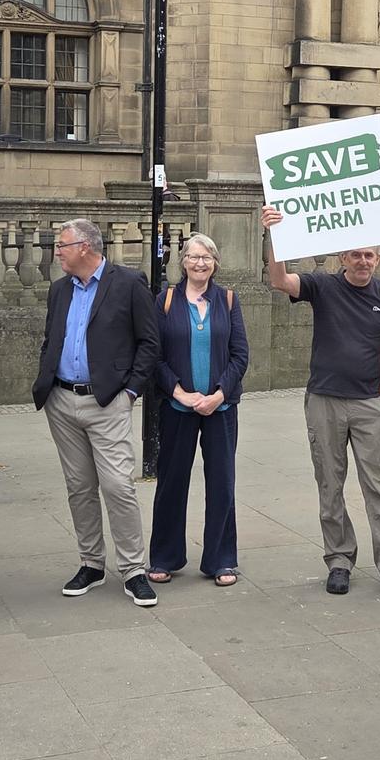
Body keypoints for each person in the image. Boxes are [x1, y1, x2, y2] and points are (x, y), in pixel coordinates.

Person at [261, 203, 380, 602]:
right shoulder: (322, 285)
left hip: (368, 401)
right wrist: (274, 233)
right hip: (325, 400)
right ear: (341, 257)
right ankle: (339, 560)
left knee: (379, 486)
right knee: (330, 484)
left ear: (378, 258)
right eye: (355, 254)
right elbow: (279, 280)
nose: (363, 261)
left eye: (369, 254)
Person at [32, 218, 162, 606]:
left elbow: (149, 343)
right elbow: (50, 338)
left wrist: (130, 393)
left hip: (107, 402)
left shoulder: (128, 283)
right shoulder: (59, 290)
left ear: (86, 247)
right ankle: (91, 563)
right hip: (61, 400)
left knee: (118, 487)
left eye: (62, 244)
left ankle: (134, 569)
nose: (57, 251)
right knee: (79, 488)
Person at [148, 233, 250, 585]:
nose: (200, 263)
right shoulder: (166, 300)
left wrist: (219, 394)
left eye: (207, 257)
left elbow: (240, 354)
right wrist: (180, 391)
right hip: (178, 407)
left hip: (220, 409)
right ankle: (164, 556)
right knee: (172, 482)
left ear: (215, 263)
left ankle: (222, 559)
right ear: (184, 262)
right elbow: (155, 355)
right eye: (194, 257)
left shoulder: (228, 300)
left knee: (222, 482)